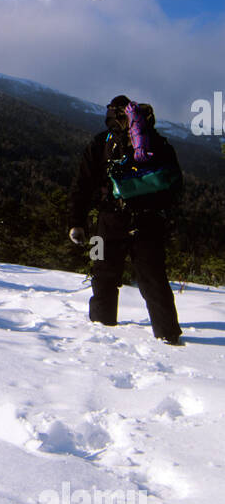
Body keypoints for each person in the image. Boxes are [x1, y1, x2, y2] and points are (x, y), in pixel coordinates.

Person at [68, 94, 183, 344]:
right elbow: (175, 184)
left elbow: (82, 185)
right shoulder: (158, 143)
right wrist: (166, 216)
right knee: (154, 278)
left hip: (107, 222)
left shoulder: (101, 142)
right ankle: (169, 335)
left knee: (102, 272)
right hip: (149, 222)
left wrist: (76, 222)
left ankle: (101, 329)